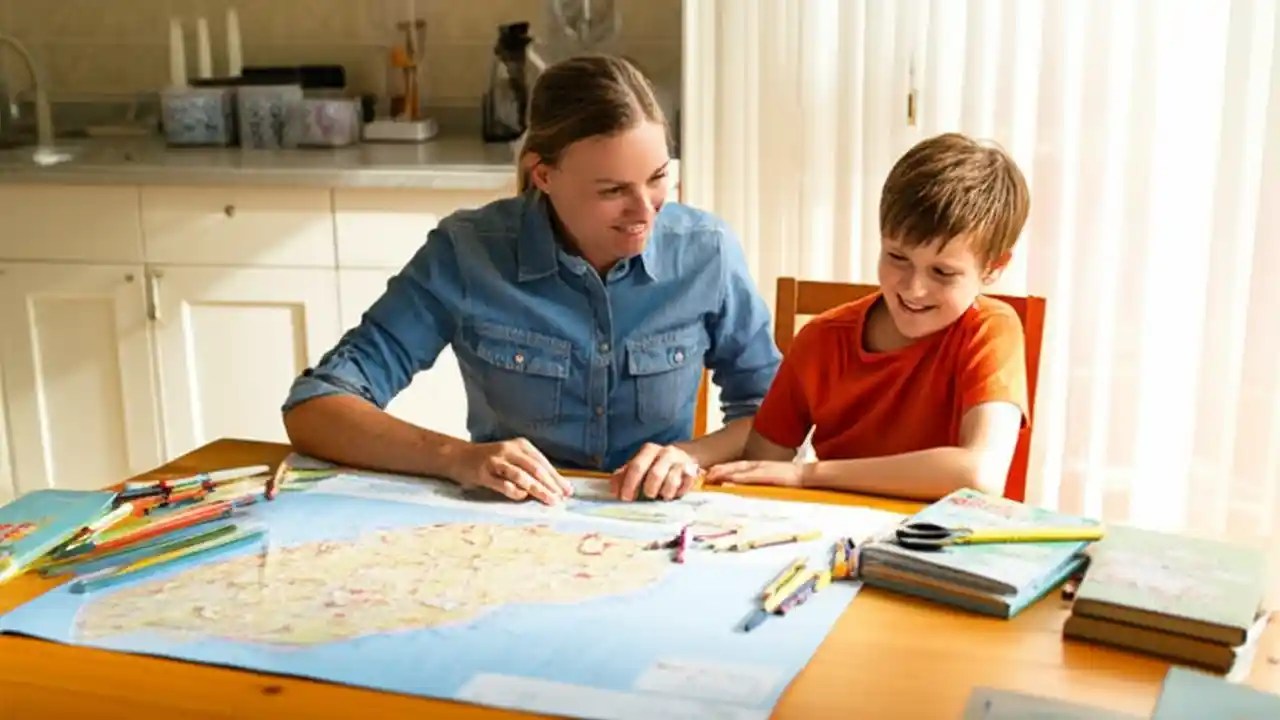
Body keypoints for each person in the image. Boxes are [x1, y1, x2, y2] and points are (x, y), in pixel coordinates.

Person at [281, 55, 780, 506]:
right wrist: (457, 458)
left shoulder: (707, 252)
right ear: (543, 175)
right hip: (511, 528)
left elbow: (777, 416)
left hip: (661, 530)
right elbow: (316, 406)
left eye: (656, 177)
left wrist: (690, 455)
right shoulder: (467, 252)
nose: (643, 209)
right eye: (612, 190)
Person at [707, 133, 1031, 501]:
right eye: (897, 257)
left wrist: (808, 474)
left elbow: (979, 474)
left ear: (993, 268)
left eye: (942, 272)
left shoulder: (990, 329)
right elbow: (761, 463)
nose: (914, 288)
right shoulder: (821, 339)